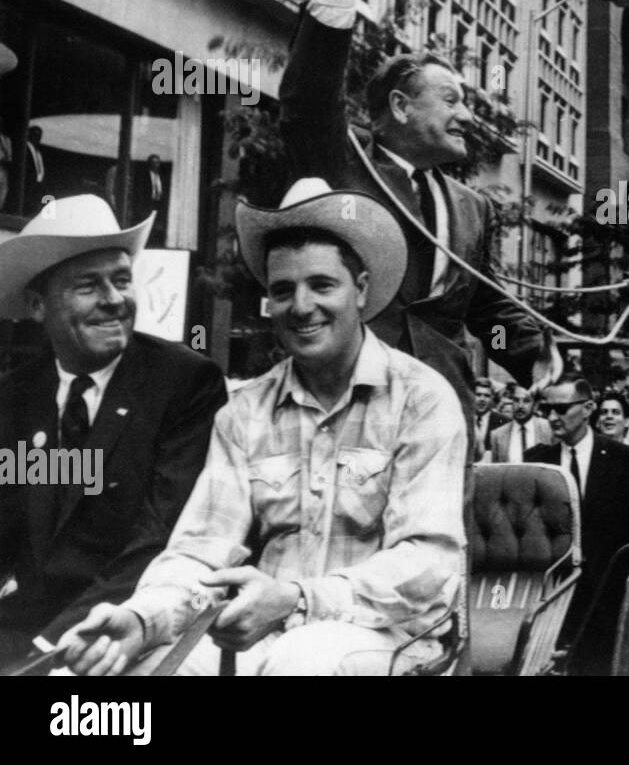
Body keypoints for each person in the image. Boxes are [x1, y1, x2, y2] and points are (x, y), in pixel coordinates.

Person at [58, 179, 467, 676]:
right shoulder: (245, 410)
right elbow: (200, 548)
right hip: (265, 632)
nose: (300, 306)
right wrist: (143, 619)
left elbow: (427, 561)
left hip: (394, 635)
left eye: (321, 284)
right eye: (282, 290)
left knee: (304, 662)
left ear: (360, 290)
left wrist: (298, 599)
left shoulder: (421, 398)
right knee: (142, 674)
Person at [276, 0, 560, 447]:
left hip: (442, 419)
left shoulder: (472, 207)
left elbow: (483, 306)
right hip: (346, 410)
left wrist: (537, 358)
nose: (467, 116)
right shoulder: (343, 162)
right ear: (402, 108)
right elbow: (307, 93)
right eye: (451, 100)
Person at [0, 196, 226, 667]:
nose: (114, 299)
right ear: (39, 305)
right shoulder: (18, 394)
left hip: (124, 624)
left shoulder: (184, 383)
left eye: (122, 280)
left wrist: (53, 644)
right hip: (23, 626)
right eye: (88, 285)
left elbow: (161, 533)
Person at [525, 375, 629, 675]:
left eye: (562, 409)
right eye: (547, 410)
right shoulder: (538, 461)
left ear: (589, 408)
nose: (553, 417)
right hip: (554, 594)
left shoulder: (622, 458)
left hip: (606, 595)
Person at [490, 383, 553, 463]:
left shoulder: (549, 430)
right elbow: (496, 471)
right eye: (516, 400)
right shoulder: (497, 435)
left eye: (526, 401)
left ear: (536, 405)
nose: (520, 406)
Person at [473, 378, 509, 459]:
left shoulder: (504, 422)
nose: (482, 399)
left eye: (487, 396)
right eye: (478, 395)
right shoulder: (464, 420)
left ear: (492, 398)